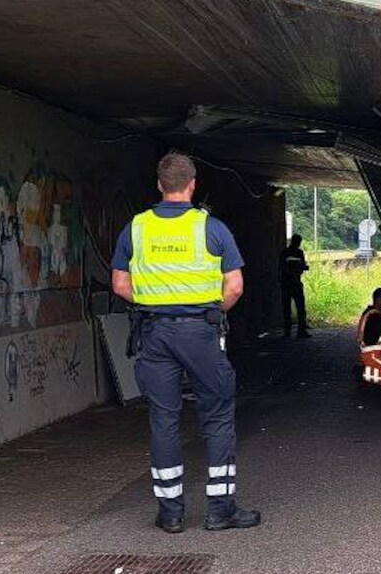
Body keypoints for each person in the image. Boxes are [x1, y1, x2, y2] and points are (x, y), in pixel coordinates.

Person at [111, 150, 261, 534]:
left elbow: (121, 284)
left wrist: (154, 302)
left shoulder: (137, 228)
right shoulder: (211, 228)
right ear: (192, 185)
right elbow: (236, 285)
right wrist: (213, 310)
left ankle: (171, 513)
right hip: (201, 330)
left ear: (160, 186)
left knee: (164, 419)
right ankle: (220, 510)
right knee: (217, 415)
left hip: (154, 332)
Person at [279, 234, 310, 338]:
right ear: (298, 242)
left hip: (286, 284)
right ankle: (301, 331)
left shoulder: (284, 253)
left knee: (286, 308)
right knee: (300, 308)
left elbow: (280, 267)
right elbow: (303, 266)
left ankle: (287, 332)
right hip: (296, 283)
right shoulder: (299, 252)